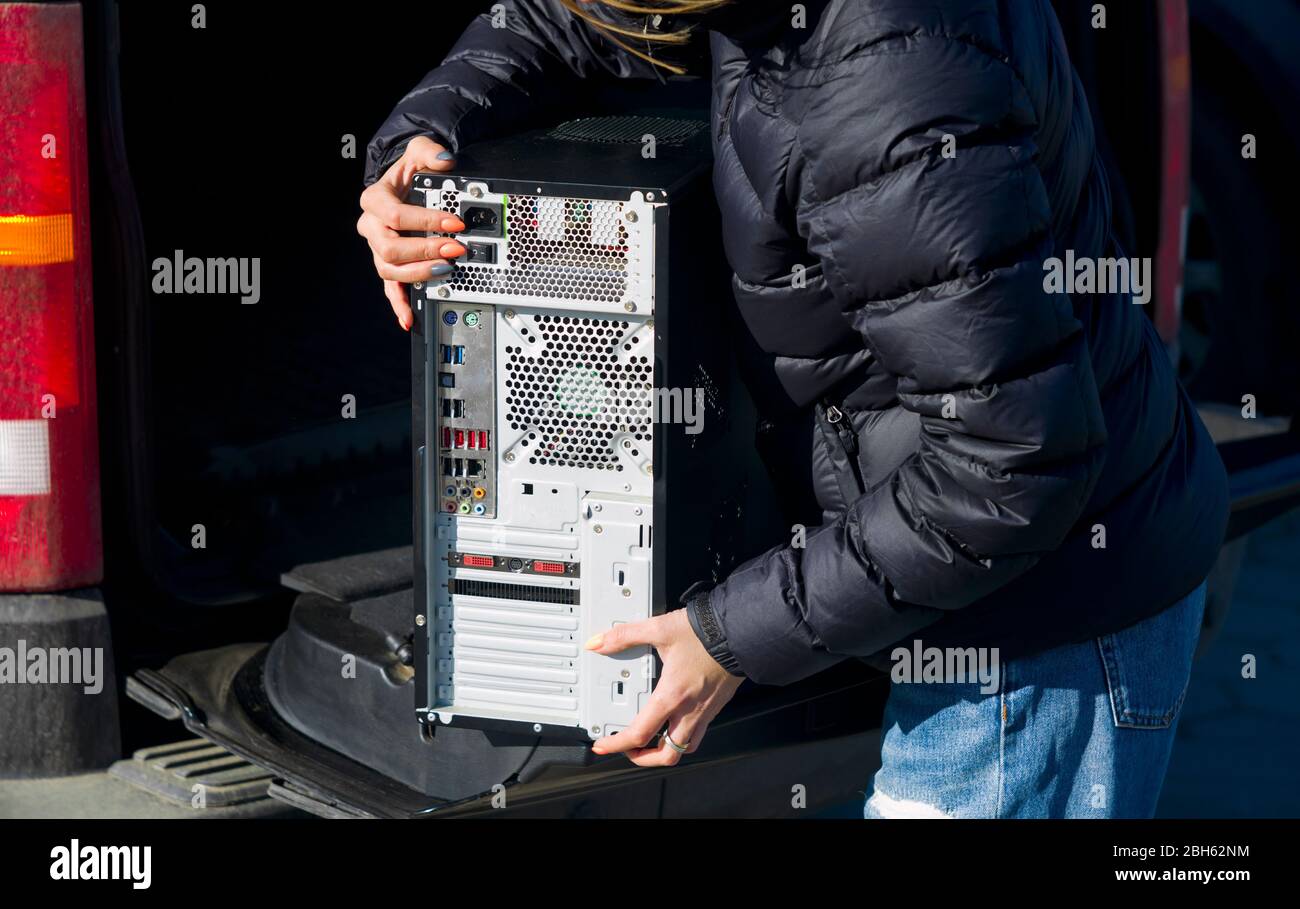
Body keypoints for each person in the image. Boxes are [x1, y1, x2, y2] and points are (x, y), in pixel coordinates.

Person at [356, 0, 1229, 818]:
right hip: (950, 571)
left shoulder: (892, 85)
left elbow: (1009, 465)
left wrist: (732, 637)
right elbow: (563, 18)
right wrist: (425, 141)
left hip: (1038, 631)